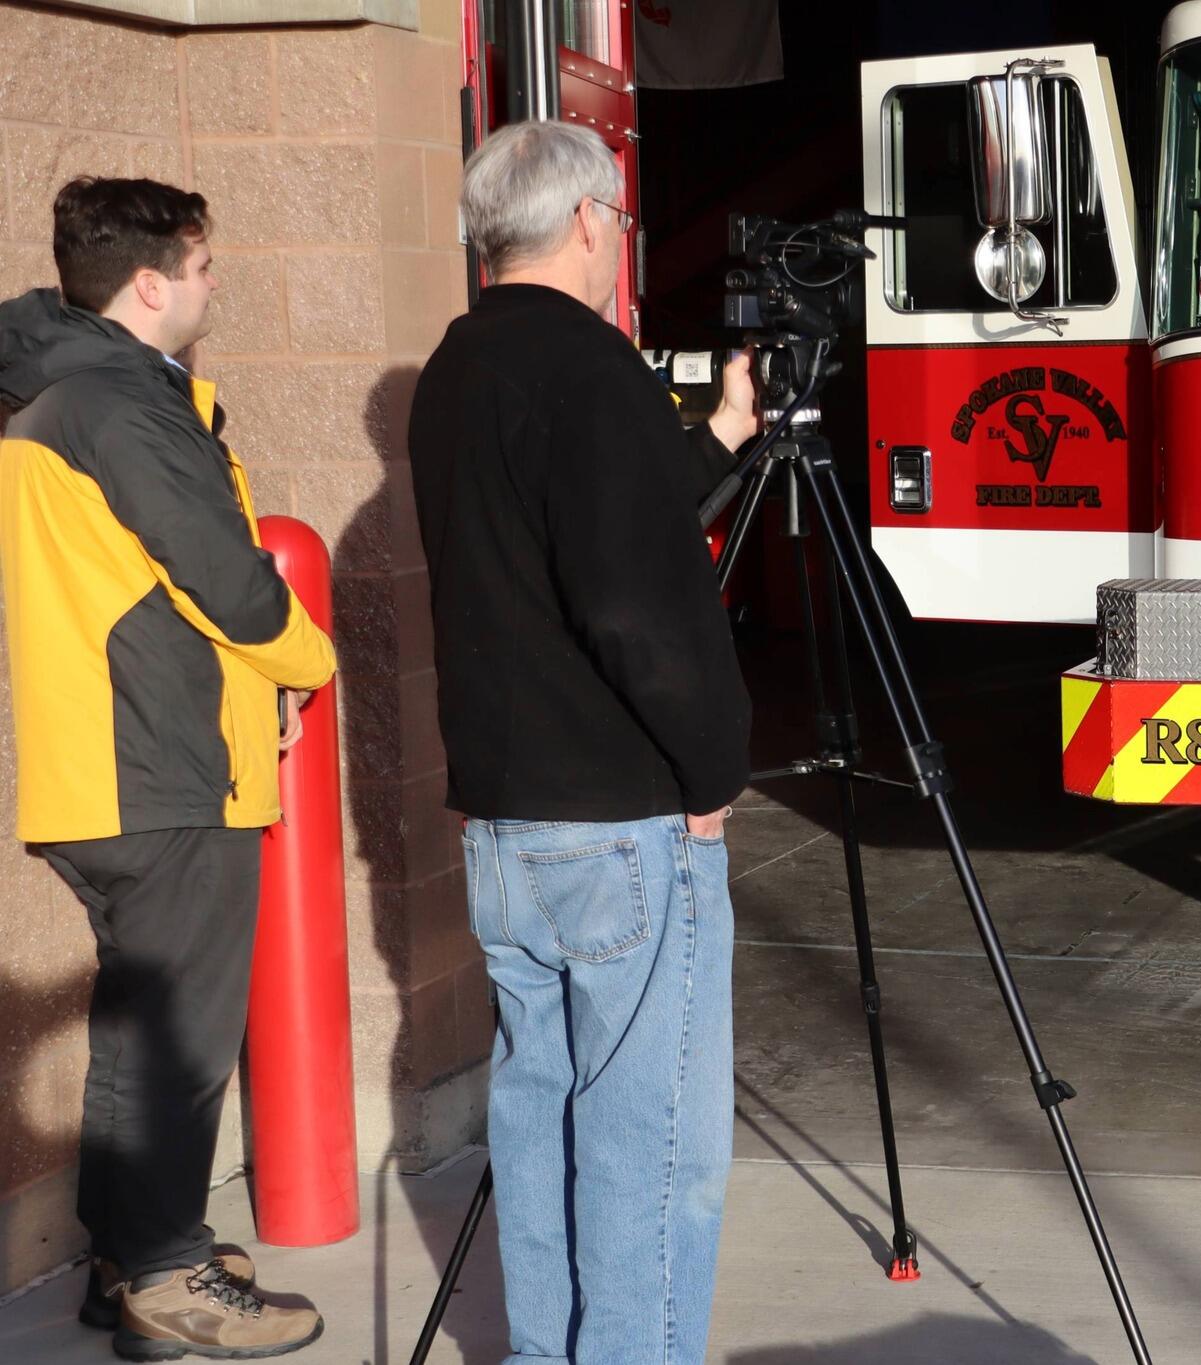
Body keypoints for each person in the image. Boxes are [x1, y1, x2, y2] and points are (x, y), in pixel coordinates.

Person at [408, 120, 758, 1364]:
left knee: (541, 1121)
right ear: (584, 222)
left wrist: (721, 434)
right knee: (649, 1148)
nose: (616, 237)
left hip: (507, 827)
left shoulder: (455, 368)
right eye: (615, 218)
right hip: (617, 826)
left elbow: (572, 531)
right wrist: (714, 770)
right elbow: (634, 603)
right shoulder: (591, 370)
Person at [0, 177, 335, 1357]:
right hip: (162, 769)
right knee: (178, 1044)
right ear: (148, 286)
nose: (214, 279)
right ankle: (166, 1274)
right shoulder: (124, 407)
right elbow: (229, 583)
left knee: (140, 1033)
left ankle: (128, 1255)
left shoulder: (65, 388)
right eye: (201, 264)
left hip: (116, 765)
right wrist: (310, 662)